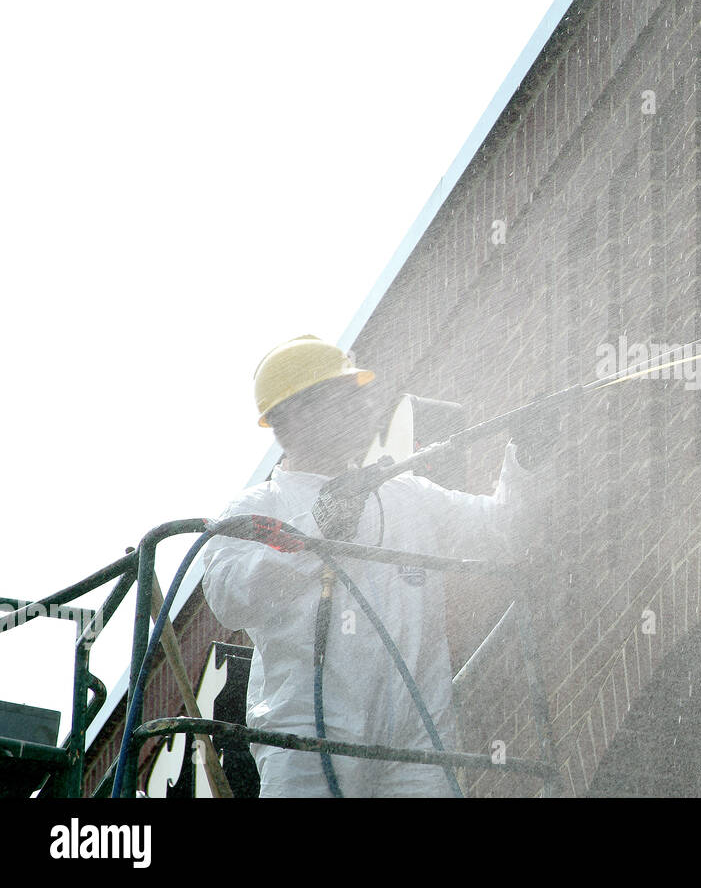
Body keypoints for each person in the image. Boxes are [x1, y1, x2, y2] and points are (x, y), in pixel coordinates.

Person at [201, 335, 552, 797]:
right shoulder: (257, 509)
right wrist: (316, 532)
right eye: (342, 398)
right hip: (306, 742)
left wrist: (525, 456)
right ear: (291, 418)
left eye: (359, 396)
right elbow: (231, 598)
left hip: (417, 740)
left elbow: (504, 530)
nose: (363, 409)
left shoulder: (405, 495)